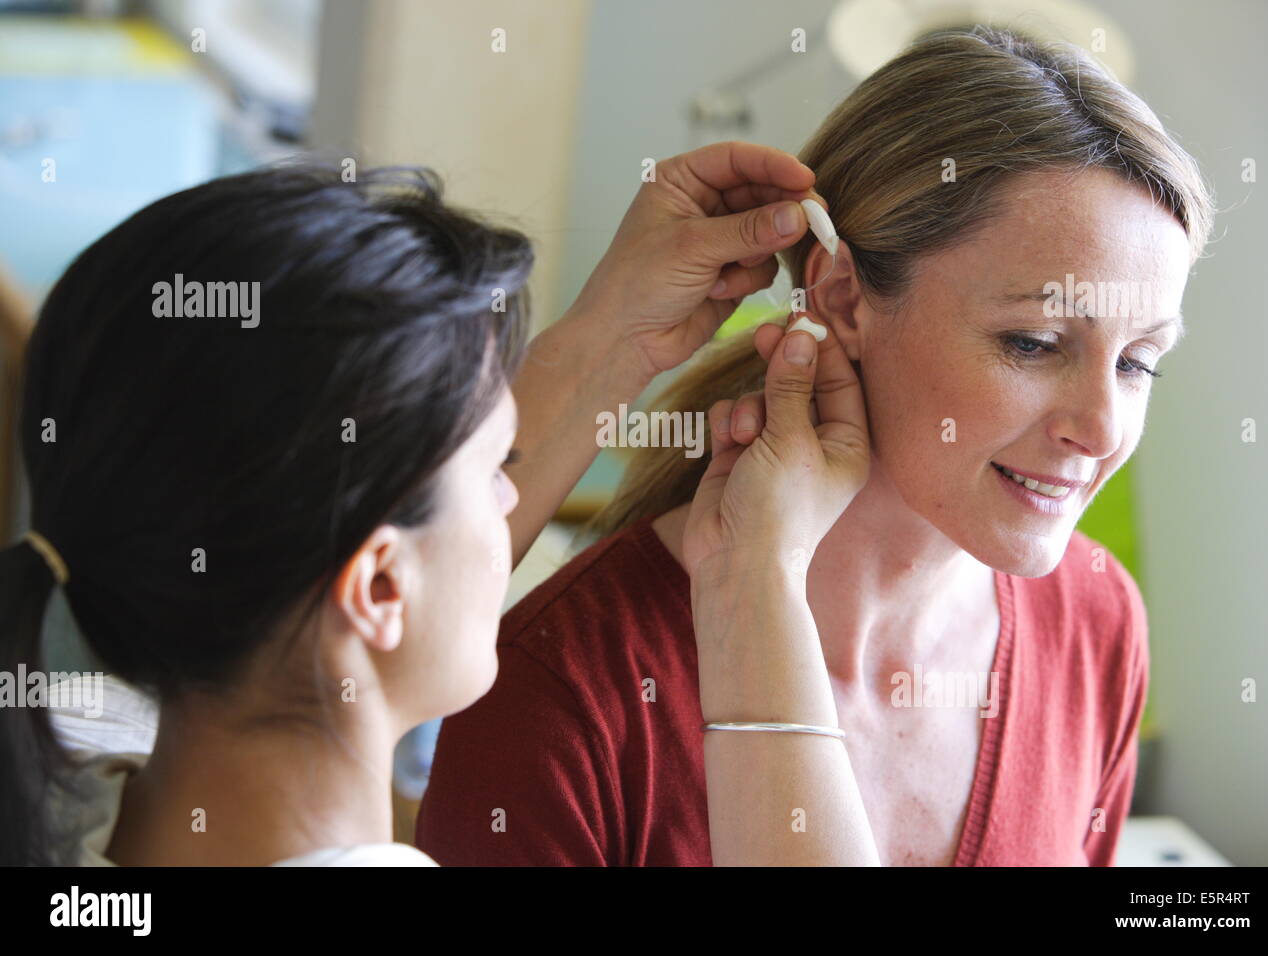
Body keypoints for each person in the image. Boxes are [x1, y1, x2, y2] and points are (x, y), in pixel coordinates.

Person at [418, 25, 1217, 866]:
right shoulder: (561, 690)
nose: (1100, 430)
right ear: (840, 299)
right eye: (1033, 342)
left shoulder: (1099, 623)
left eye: (1138, 363)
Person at [1, 144, 880, 865]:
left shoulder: (72, 792)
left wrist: (613, 336)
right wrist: (760, 580)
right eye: (496, 466)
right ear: (380, 590)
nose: (513, 497)